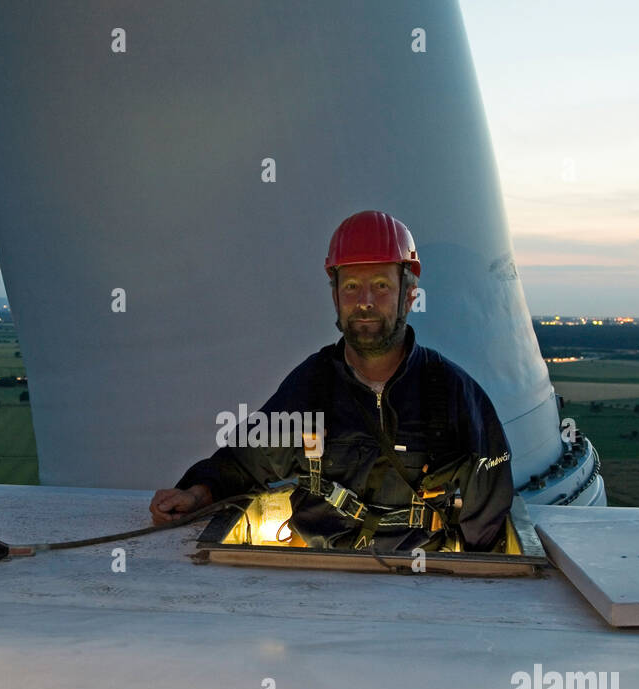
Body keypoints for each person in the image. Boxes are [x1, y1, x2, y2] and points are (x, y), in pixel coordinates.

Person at [150, 210, 514, 551]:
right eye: (352, 286)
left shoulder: (451, 392)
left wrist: (461, 590)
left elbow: (488, 509)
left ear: (409, 298)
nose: (365, 301)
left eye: (382, 286)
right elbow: (244, 462)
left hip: (417, 585)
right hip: (319, 580)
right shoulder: (311, 386)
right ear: (336, 296)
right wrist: (195, 494)